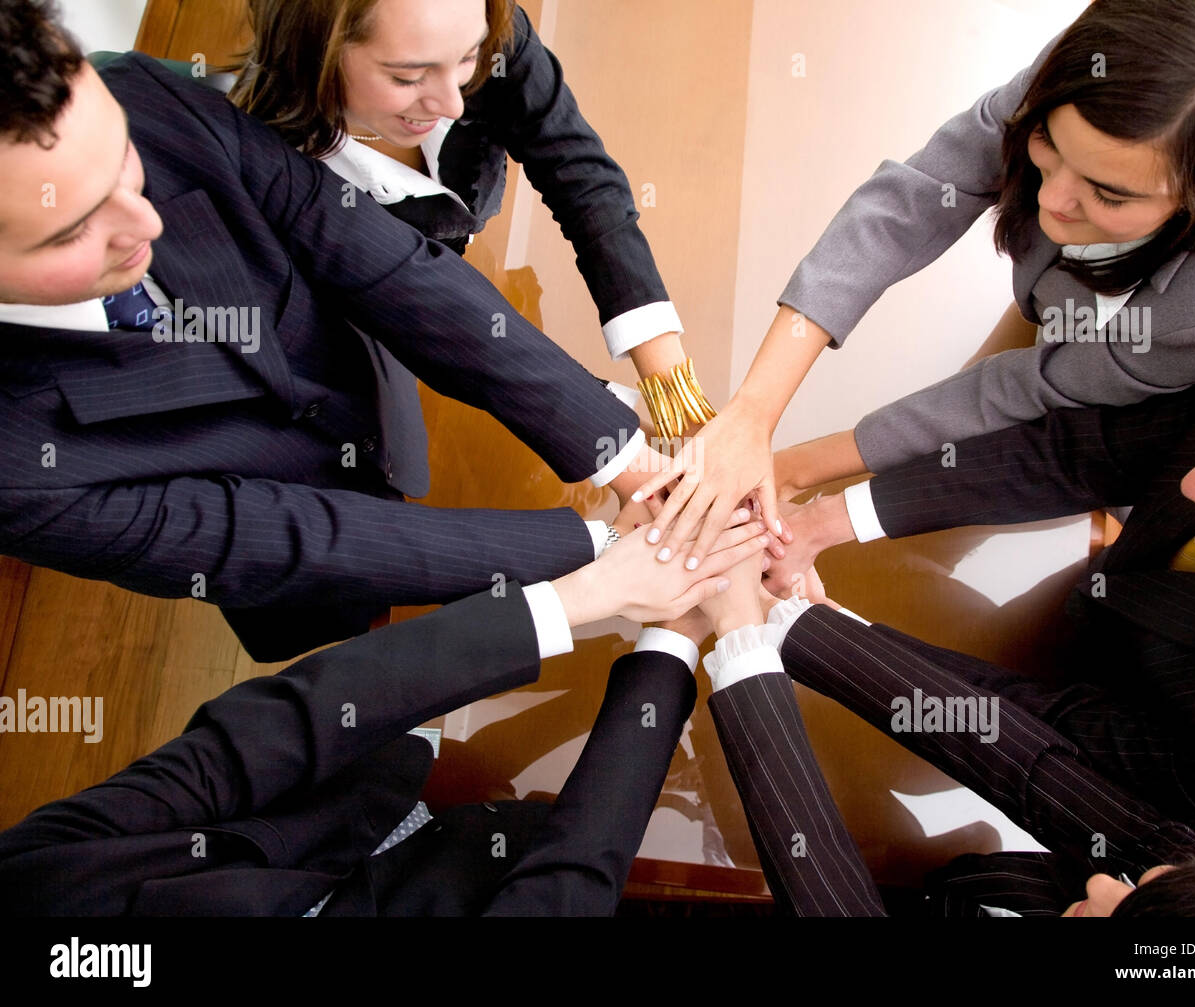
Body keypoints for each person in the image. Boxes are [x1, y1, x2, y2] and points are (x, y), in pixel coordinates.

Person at [0, 0, 670, 662]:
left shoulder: (141, 93)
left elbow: (383, 265)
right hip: (302, 564)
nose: (147, 223)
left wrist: (621, 456)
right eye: (74, 228)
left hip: (364, 394)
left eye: (122, 158)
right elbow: (278, 540)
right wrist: (599, 548)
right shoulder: (17, 473)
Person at [634, 0, 1195, 571]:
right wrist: (753, 413)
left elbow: (1034, 386)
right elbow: (912, 202)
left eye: (1107, 192)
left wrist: (791, 469)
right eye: (1047, 144)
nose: (1053, 199)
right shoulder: (1114, 77)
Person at [0, 510, 770, 916]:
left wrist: (586, 595)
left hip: (358, 788)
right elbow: (565, 890)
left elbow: (249, 743)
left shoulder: (34, 889)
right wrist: (672, 643)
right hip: (490, 876)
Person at [761, 324, 1195, 834]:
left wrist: (820, 631)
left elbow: (1053, 738)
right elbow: (1071, 457)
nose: (1191, 485)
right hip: (1094, 599)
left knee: (897, 771)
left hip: (1124, 747)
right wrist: (823, 520)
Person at [686, 543, 1195, 917]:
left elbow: (831, 898)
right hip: (952, 885)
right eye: (1142, 879)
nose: (1101, 878)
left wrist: (741, 635)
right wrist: (805, 626)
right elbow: (1029, 767)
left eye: (1125, 906)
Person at [229, 0, 714, 438]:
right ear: (316, 49)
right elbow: (437, 321)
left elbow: (575, 170)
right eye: (407, 78)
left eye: (466, 58)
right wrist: (612, 419)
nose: (454, 104)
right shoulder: (281, 181)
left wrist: (667, 378)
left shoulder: (474, 24)